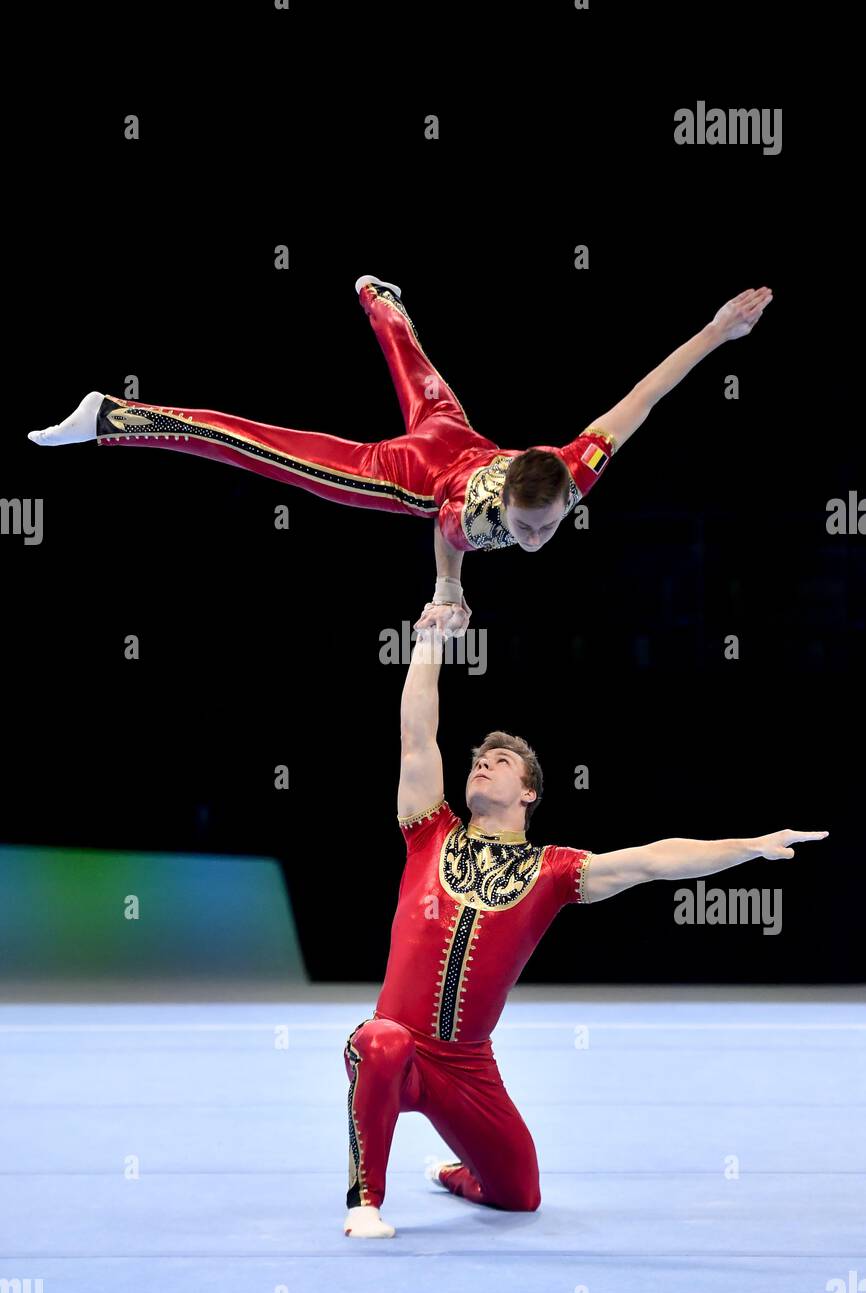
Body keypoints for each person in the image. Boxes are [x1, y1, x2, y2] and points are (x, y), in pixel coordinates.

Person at [342, 624, 826, 1236]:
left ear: (528, 791)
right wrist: (432, 640)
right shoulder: (428, 834)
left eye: (500, 762)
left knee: (520, 1196)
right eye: (478, 761)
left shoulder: (552, 871)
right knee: (379, 1040)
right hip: (398, 1052)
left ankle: (452, 1173)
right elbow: (417, 736)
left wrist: (750, 847)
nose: (483, 766)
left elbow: (653, 860)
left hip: (466, 1066)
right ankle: (365, 1201)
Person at [28, 279, 772, 636]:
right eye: (527, 526)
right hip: (411, 478)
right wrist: (448, 590)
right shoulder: (483, 518)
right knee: (256, 448)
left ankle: (381, 299)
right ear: (508, 502)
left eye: (544, 528)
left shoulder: (576, 468)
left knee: (422, 379)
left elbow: (644, 395)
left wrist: (715, 332)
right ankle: (113, 415)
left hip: (461, 441)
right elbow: (447, 534)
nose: (536, 539)